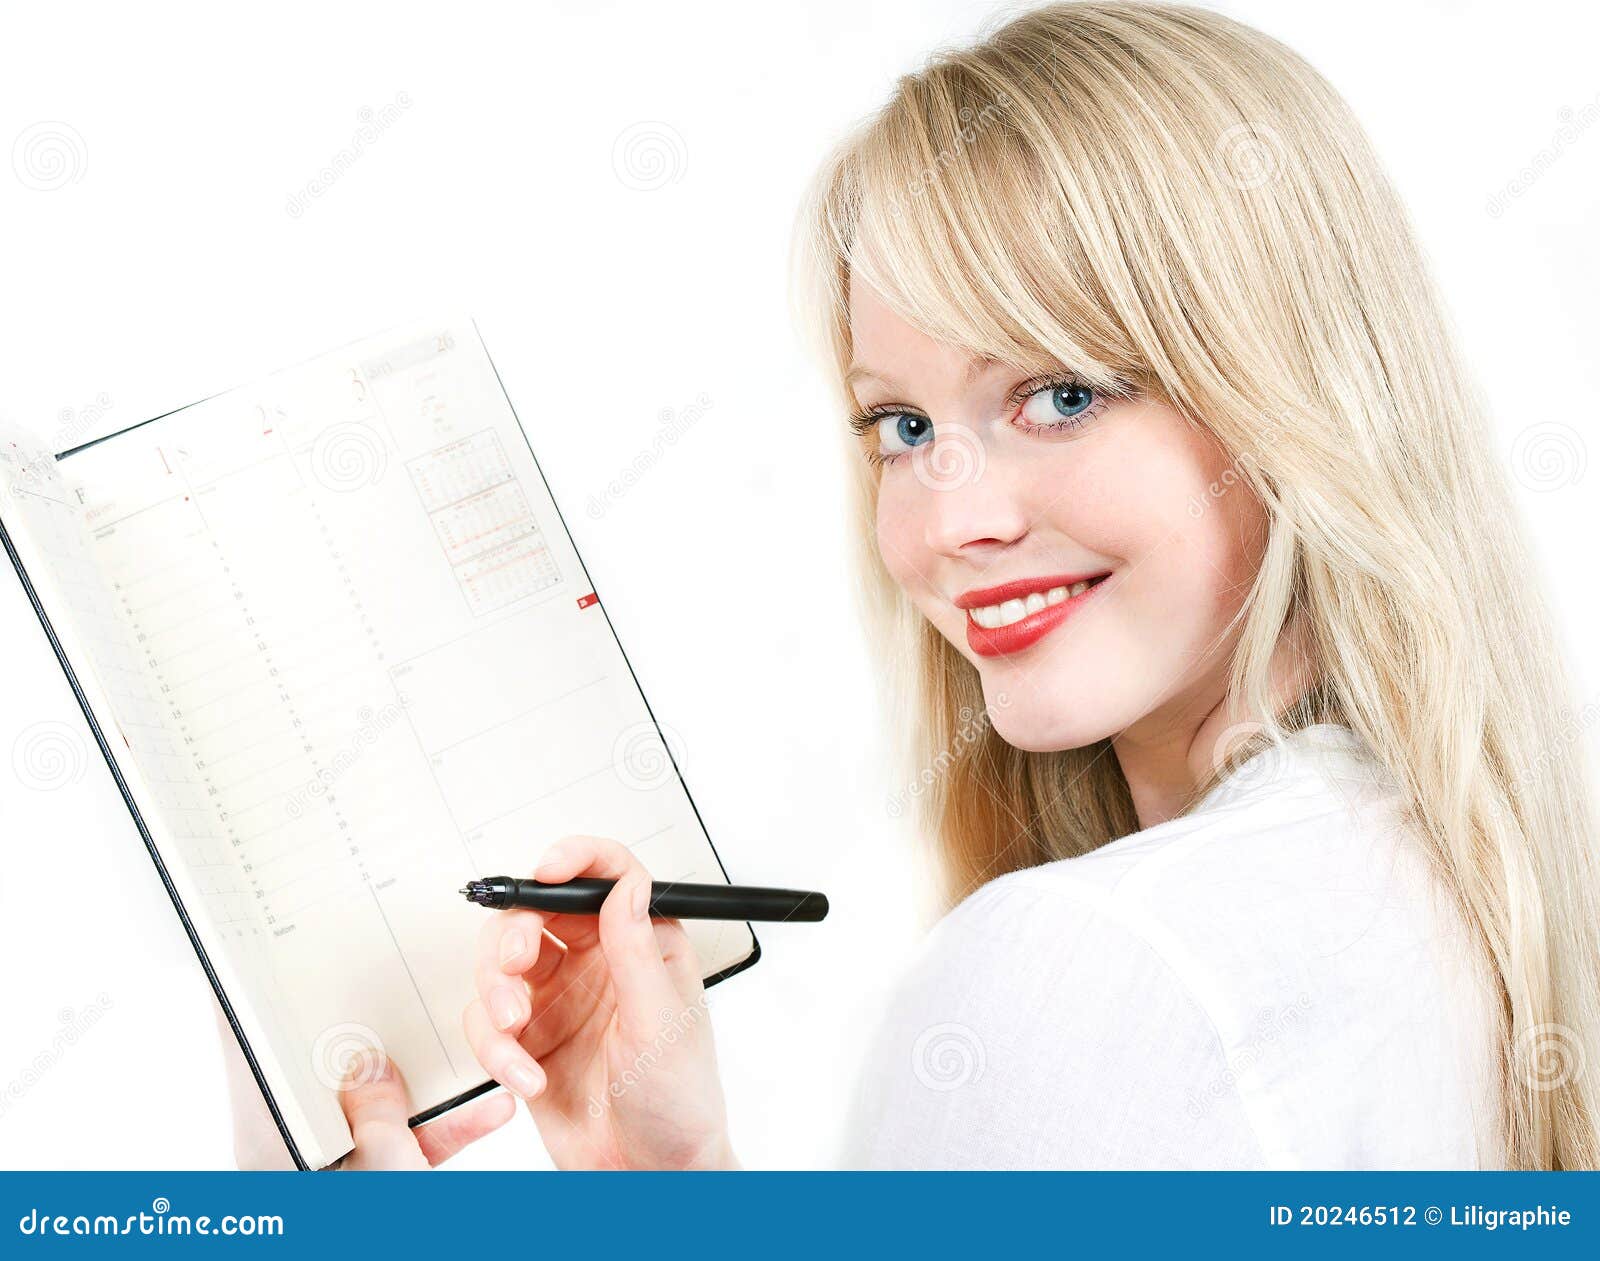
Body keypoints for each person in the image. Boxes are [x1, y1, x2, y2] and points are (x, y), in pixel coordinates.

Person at [238, 0, 1600, 1169]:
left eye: (1061, 393)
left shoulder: (1092, 963)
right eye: (900, 426)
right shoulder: (1461, 885)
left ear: (1292, 396)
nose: (951, 522)